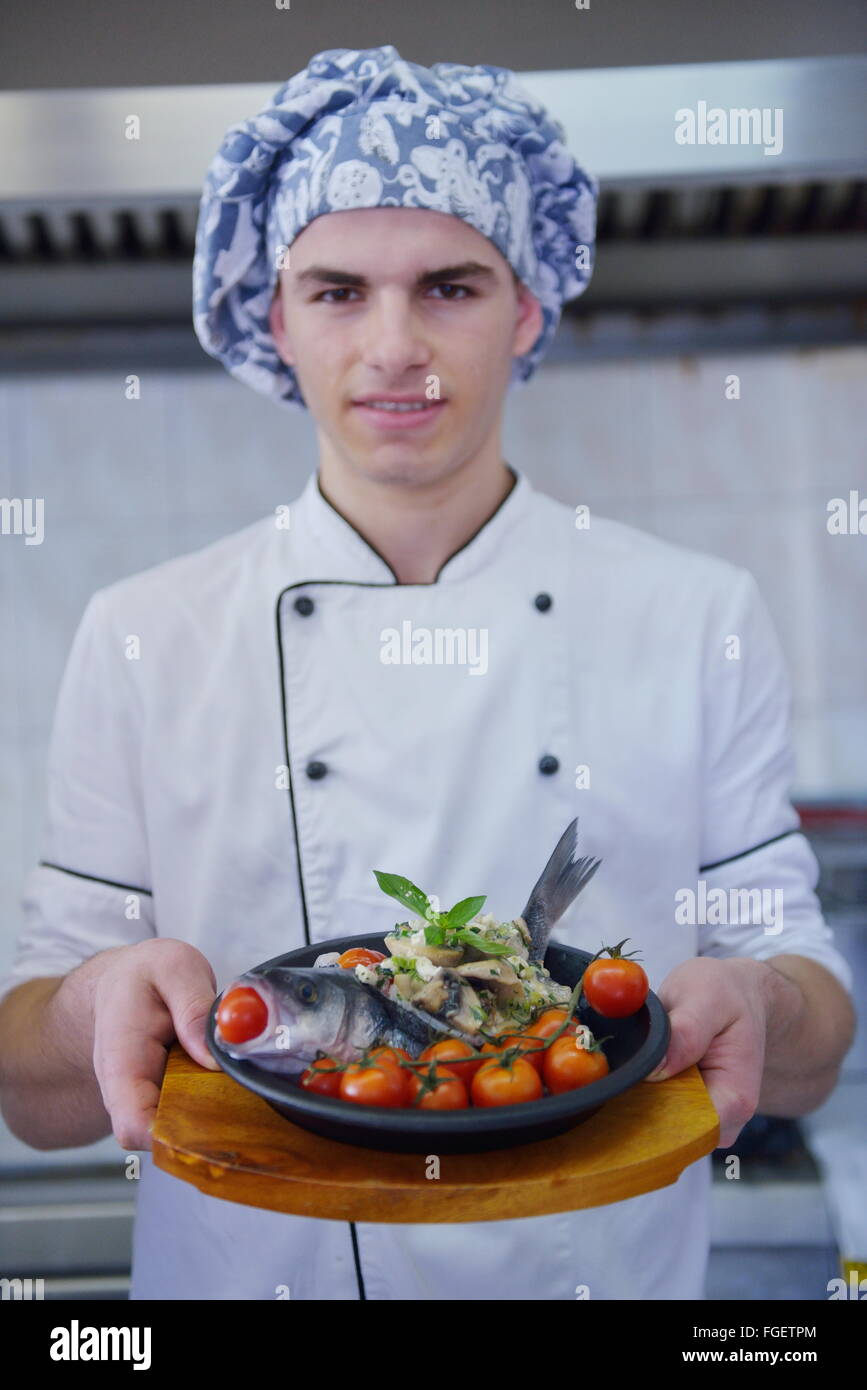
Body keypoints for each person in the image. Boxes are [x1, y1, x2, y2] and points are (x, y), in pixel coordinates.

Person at [0, 45, 855, 1302]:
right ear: (272, 315)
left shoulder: (694, 614)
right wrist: (85, 1012)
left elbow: (813, 1035)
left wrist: (769, 1007)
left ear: (524, 308)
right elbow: (35, 1098)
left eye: (448, 285)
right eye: (338, 291)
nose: (395, 347)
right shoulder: (145, 633)